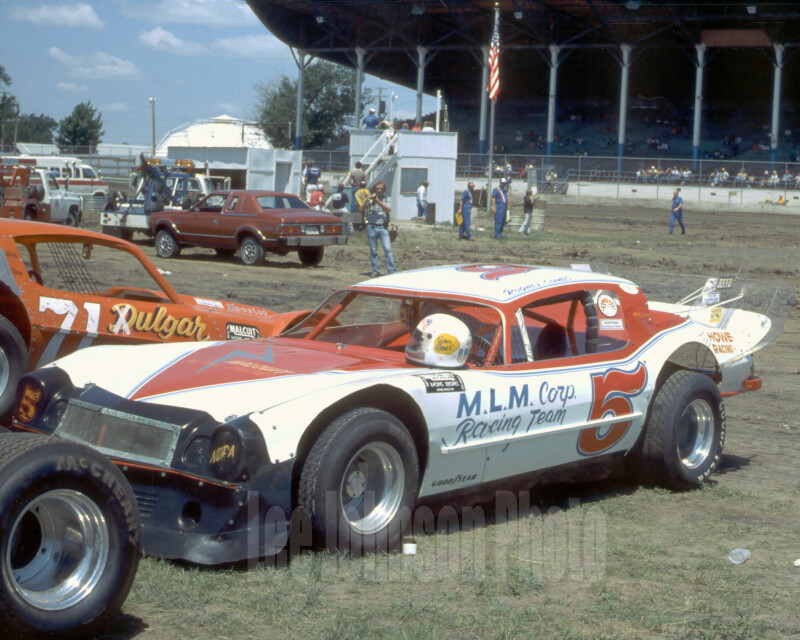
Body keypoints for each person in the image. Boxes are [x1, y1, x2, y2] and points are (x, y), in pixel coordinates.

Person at [360, 181, 395, 276]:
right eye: (377, 188)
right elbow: (361, 210)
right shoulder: (370, 198)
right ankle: (375, 270)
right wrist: (367, 201)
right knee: (373, 250)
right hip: (372, 226)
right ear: (374, 189)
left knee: (387, 249)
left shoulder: (387, 199)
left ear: (384, 190)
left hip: (383, 227)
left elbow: (388, 210)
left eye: (381, 189)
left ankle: (391, 271)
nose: (379, 190)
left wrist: (379, 202)